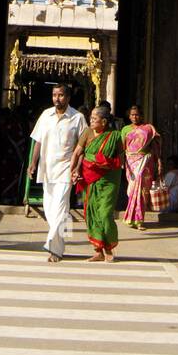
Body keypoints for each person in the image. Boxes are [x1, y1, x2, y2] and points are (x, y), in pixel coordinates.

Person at [28, 82, 88, 262]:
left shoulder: (77, 118)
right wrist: (33, 163)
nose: (57, 98)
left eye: (61, 95)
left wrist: (78, 166)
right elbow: (37, 141)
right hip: (46, 169)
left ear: (68, 97)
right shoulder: (46, 115)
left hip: (66, 169)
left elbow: (83, 145)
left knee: (61, 207)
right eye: (54, 95)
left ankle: (52, 247)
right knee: (50, 209)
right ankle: (59, 247)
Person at [71, 106, 124, 262]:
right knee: (92, 213)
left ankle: (109, 248)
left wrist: (103, 162)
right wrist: (72, 170)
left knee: (105, 214)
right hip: (90, 178)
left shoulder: (115, 136)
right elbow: (78, 152)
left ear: (104, 121)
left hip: (109, 180)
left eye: (94, 119)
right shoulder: (87, 132)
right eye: (91, 118)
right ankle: (98, 250)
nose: (91, 121)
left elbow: (121, 160)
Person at [121, 104, 162, 230]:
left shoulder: (148, 129)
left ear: (142, 115)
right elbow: (122, 148)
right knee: (132, 190)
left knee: (143, 191)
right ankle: (131, 218)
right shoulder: (125, 130)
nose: (135, 117)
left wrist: (159, 162)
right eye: (132, 115)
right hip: (131, 163)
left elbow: (156, 147)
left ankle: (139, 220)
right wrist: (122, 162)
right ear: (129, 116)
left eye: (137, 114)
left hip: (145, 162)